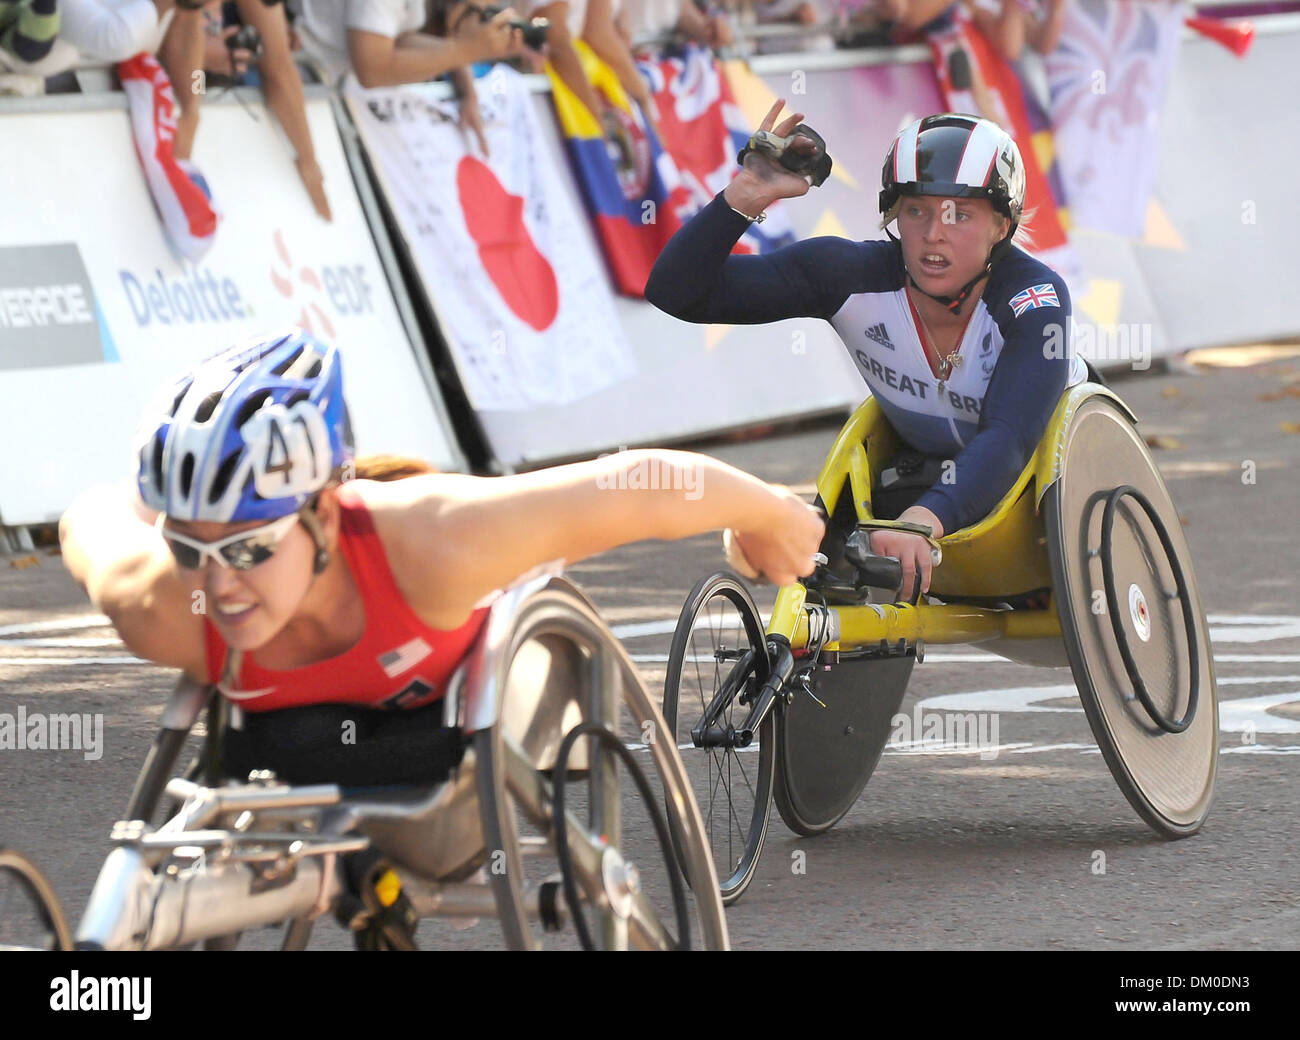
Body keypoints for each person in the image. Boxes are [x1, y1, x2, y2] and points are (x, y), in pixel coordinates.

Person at [59, 328, 824, 783]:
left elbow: (638, 487)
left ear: (325, 515)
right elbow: (87, 518)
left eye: (250, 546)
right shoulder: (162, 601)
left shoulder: (432, 542)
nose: (218, 582)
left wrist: (774, 516)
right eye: (193, 546)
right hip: (303, 746)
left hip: (480, 704)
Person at [645, 105, 1087, 601]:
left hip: (1045, 493)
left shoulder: (1035, 299)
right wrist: (745, 197)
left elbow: (1009, 437)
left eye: (959, 214)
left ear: (1001, 226)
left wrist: (922, 520)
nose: (934, 233)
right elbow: (676, 292)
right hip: (917, 473)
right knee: (821, 552)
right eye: (917, 210)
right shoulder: (846, 274)